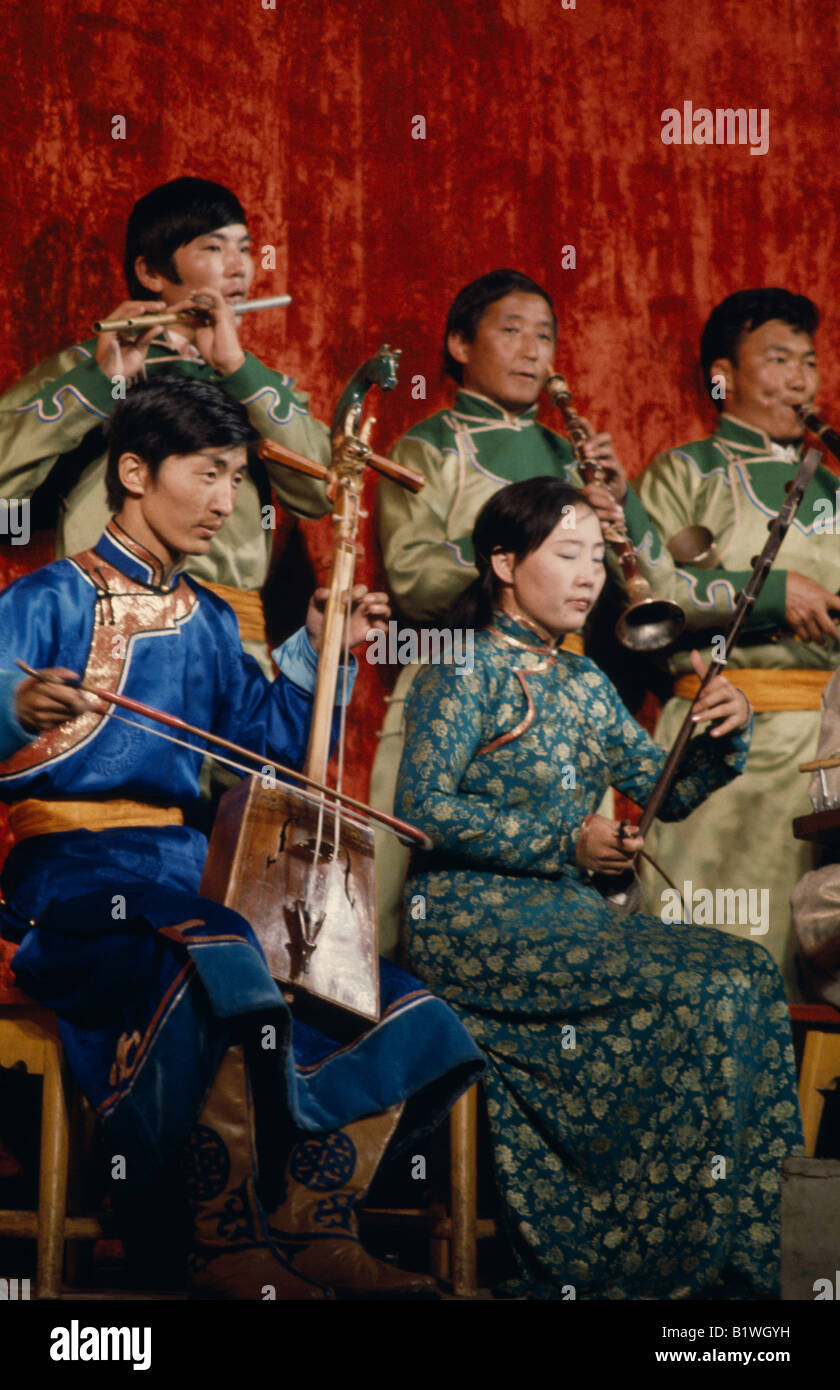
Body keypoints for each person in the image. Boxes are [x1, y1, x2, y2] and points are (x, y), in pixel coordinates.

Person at [0, 376, 483, 1300]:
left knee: (372, 990)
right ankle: (214, 1236)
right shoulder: (47, 596)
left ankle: (314, 1224)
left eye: (237, 478)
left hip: (195, 874)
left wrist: (317, 649)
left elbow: (269, 757)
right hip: (69, 880)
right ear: (134, 472)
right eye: (209, 473)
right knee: (220, 957)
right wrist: (15, 705)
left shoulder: (216, 620)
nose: (228, 503)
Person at [396, 476, 802, 1300]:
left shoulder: (581, 682)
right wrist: (565, 842)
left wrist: (721, 729)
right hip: (472, 922)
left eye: (595, 559)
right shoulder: (462, 664)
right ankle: (651, 1263)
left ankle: (743, 1264)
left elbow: (666, 794)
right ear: (503, 562)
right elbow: (422, 812)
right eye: (567, 555)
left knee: (749, 973)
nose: (590, 576)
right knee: (709, 984)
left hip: (569, 919)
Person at [372, 268, 643, 953]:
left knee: (575, 913)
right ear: (460, 344)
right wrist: (522, 575)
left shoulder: (574, 458)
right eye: (512, 330)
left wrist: (620, 505)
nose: (533, 351)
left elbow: (636, 587)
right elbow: (411, 575)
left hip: (566, 692)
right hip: (457, 674)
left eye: (545, 336)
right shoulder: (428, 446)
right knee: (399, 902)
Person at [0, 176, 332, 671]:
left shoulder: (261, 384)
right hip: (107, 638)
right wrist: (100, 383)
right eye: (214, 247)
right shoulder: (83, 368)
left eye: (244, 248)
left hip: (231, 646)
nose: (239, 265)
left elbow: (321, 492)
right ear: (151, 271)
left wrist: (239, 372)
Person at [630, 288, 840, 994]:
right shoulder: (683, 472)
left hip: (829, 750)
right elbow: (645, 591)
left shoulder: (835, 486)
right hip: (722, 738)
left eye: (807, 362)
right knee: (703, 949)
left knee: (813, 956)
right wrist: (778, 594)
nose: (799, 379)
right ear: (722, 376)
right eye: (777, 359)